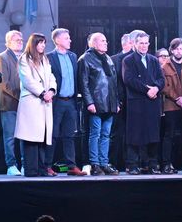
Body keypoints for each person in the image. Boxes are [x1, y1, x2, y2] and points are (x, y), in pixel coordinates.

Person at [120, 30, 165, 174]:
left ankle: (152, 164)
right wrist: (147, 90)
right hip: (137, 101)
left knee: (153, 133)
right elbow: (129, 79)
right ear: (134, 44)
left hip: (152, 102)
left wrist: (156, 88)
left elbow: (161, 78)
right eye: (141, 43)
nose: (144, 46)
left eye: (146, 43)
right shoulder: (128, 60)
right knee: (135, 134)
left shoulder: (153, 60)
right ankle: (132, 165)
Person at [15, 33, 57, 177]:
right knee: (31, 139)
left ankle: (41, 169)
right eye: (40, 43)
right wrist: (42, 93)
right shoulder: (25, 59)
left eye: (44, 43)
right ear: (33, 44)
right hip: (32, 102)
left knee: (42, 139)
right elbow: (27, 80)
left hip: (45, 102)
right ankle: (31, 170)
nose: (43, 46)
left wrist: (51, 91)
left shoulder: (45, 59)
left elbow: (51, 77)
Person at [77, 32, 119, 175]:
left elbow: (114, 82)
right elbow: (83, 83)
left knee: (106, 134)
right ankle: (94, 164)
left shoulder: (108, 58)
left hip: (110, 103)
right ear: (94, 43)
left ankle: (104, 163)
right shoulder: (85, 59)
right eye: (102, 41)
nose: (106, 43)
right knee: (95, 134)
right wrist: (89, 102)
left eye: (106, 40)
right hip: (96, 103)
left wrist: (116, 102)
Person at [47, 28, 84, 175]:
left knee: (69, 135)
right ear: (57, 40)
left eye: (69, 38)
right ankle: (47, 165)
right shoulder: (49, 57)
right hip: (57, 101)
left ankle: (71, 166)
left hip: (71, 102)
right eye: (66, 38)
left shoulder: (73, 56)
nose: (70, 40)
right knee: (53, 134)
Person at [160, 38, 182, 174]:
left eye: (181, 49)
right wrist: (177, 99)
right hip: (171, 106)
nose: (179, 51)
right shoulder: (164, 66)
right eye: (176, 49)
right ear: (172, 50)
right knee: (169, 135)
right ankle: (166, 164)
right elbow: (164, 86)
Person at [0, 29, 25, 175]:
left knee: (25, 136)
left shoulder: (25, 57)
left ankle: (25, 163)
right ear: (8, 42)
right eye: (17, 40)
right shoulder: (2, 57)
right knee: (10, 136)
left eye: (21, 40)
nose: (20, 42)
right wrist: (20, 97)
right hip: (9, 103)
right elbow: (3, 83)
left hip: (25, 104)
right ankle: (11, 165)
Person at [111, 32, 135, 170]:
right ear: (126, 43)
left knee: (132, 133)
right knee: (117, 133)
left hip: (134, 101)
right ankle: (115, 162)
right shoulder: (113, 59)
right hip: (120, 101)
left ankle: (131, 163)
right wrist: (116, 101)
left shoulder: (136, 59)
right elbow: (113, 83)